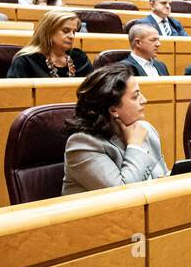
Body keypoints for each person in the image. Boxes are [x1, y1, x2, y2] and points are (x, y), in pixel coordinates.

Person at [60, 65, 168, 195]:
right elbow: (122, 194)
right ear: (113, 110)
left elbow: (162, 177)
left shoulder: (144, 129)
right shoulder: (82, 144)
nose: (144, 100)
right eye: (135, 97)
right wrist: (135, 146)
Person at [6, 11, 93, 78]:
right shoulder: (26, 60)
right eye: (66, 31)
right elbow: (15, 96)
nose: (71, 36)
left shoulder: (80, 58)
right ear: (48, 32)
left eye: (74, 31)